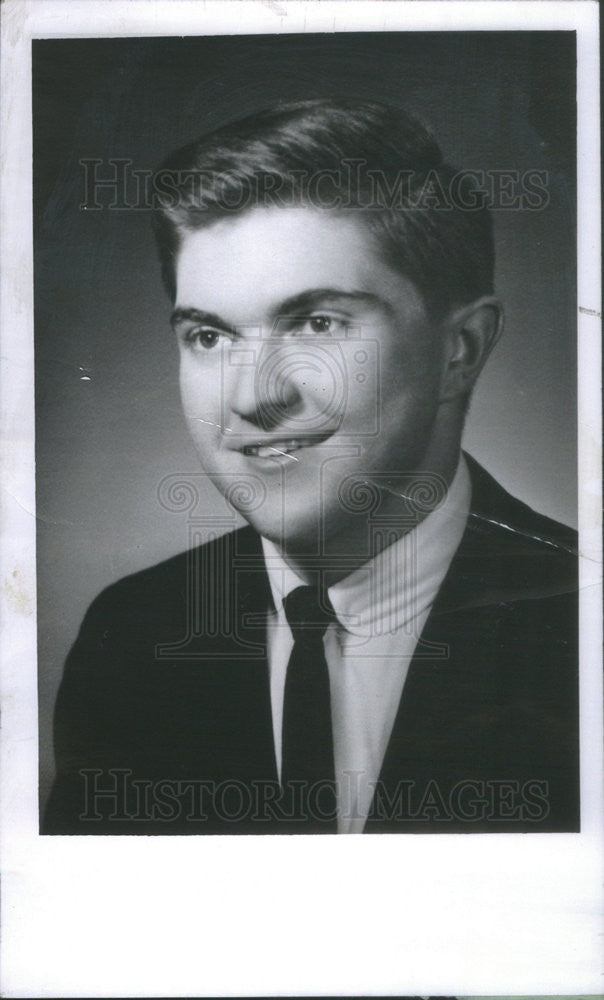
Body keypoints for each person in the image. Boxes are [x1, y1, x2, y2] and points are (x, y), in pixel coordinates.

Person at [43, 100, 578, 835]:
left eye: (318, 324)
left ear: (460, 351)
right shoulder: (132, 637)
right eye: (209, 335)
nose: (255, 396)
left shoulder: (582, 631)